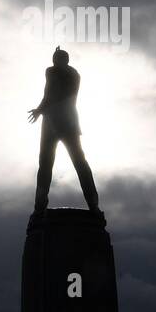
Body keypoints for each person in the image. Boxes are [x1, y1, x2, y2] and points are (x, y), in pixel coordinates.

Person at [28, 47, 100, 215]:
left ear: (61, 60)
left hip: (56, 123)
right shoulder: (74, 74)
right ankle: (93, 205)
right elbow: (51, 95)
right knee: (73, 163)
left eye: (56, 59)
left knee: (59, 164)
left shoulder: (53, 72)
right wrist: (40, 110)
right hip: (66, 123)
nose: (53, 62)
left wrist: (39, 110)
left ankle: (40, 207)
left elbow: (51, 95)